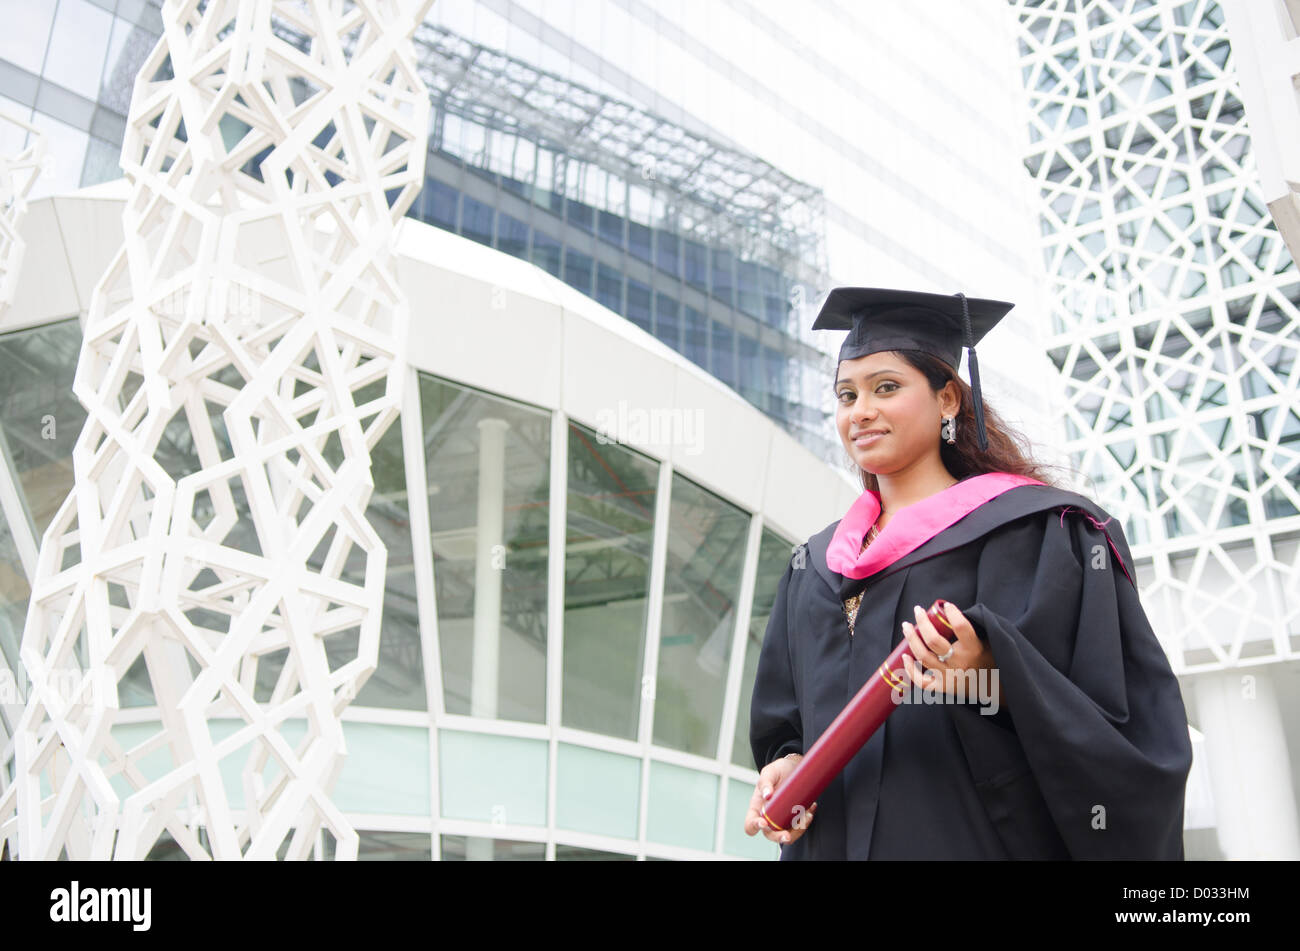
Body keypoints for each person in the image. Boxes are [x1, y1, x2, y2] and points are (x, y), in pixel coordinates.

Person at [742, 287, 1193, 860]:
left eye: (887, 387)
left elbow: (1118, 721)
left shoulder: (1037, 531)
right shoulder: (815, 565)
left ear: (948, 399)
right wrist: (787, 764)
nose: (861, 411)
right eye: (846, 395)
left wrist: (993, 671)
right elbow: (786, 722)